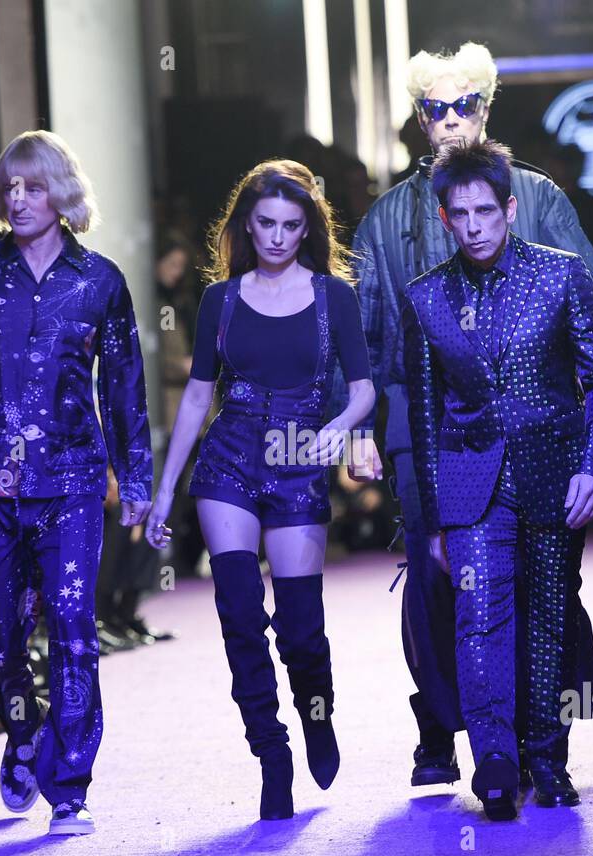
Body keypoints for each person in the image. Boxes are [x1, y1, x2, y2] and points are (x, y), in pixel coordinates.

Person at [337, 41, 593, 789]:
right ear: (418, 119)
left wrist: (589, 422)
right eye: (435, 107)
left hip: (536, 418)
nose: (451, 118)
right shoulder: (387, 218)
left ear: (487, 108)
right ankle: (440, 725)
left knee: (544, 582)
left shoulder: (536, 195)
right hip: (422, 419)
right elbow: (366, 337)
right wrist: (359, 431)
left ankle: (541, 736)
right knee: (439, 576)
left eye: (466, 103)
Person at [0, 130, 153, 836]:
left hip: (74, 480)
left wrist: (133, 474)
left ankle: (69, 785)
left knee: (75, 627)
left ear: (63, 194)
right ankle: (23, 735)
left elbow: (126, 386)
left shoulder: (100, 281)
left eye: (34, 187)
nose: (18, 199)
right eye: (9, 188)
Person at [145, 159, 377, 821]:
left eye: (291, 226)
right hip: (232, 452)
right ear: (248, 223)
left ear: (308, 229)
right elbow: (197, 396)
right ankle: (271, 753)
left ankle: (316, 711)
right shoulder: (222, 298)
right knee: (241, 614)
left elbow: (361, 390)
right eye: (266, 223)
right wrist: (165, 492)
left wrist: (338, 429)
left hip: (302, 450)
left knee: (302, 631)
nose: (277, 236)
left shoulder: (335, 296)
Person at [405, 140, 593, 820]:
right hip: (471, 480)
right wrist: (436, 516)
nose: (474, 226)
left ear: (510, 207)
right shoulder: (425, 298)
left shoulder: (559, 277)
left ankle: (548, 758)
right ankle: (495, 763)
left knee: (551, 614)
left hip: (556, 471)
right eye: (460, 213)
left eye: (485, 211)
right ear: (443, 216)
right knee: (479, 614)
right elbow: (423, 414)